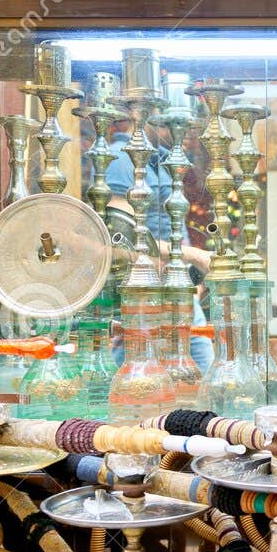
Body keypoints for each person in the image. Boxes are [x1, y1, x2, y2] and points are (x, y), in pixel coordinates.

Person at [104, 117, 214, 370]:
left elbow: (172, 222)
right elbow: (121, 238)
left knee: (199, 371)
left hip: (175, 289)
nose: (182, 131)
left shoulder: (164, 160)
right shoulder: (121, 159)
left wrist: (188, 279)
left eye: (186, 124)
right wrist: (191, 255)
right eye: (166, 123)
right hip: (140, 292)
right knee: (134, 370)